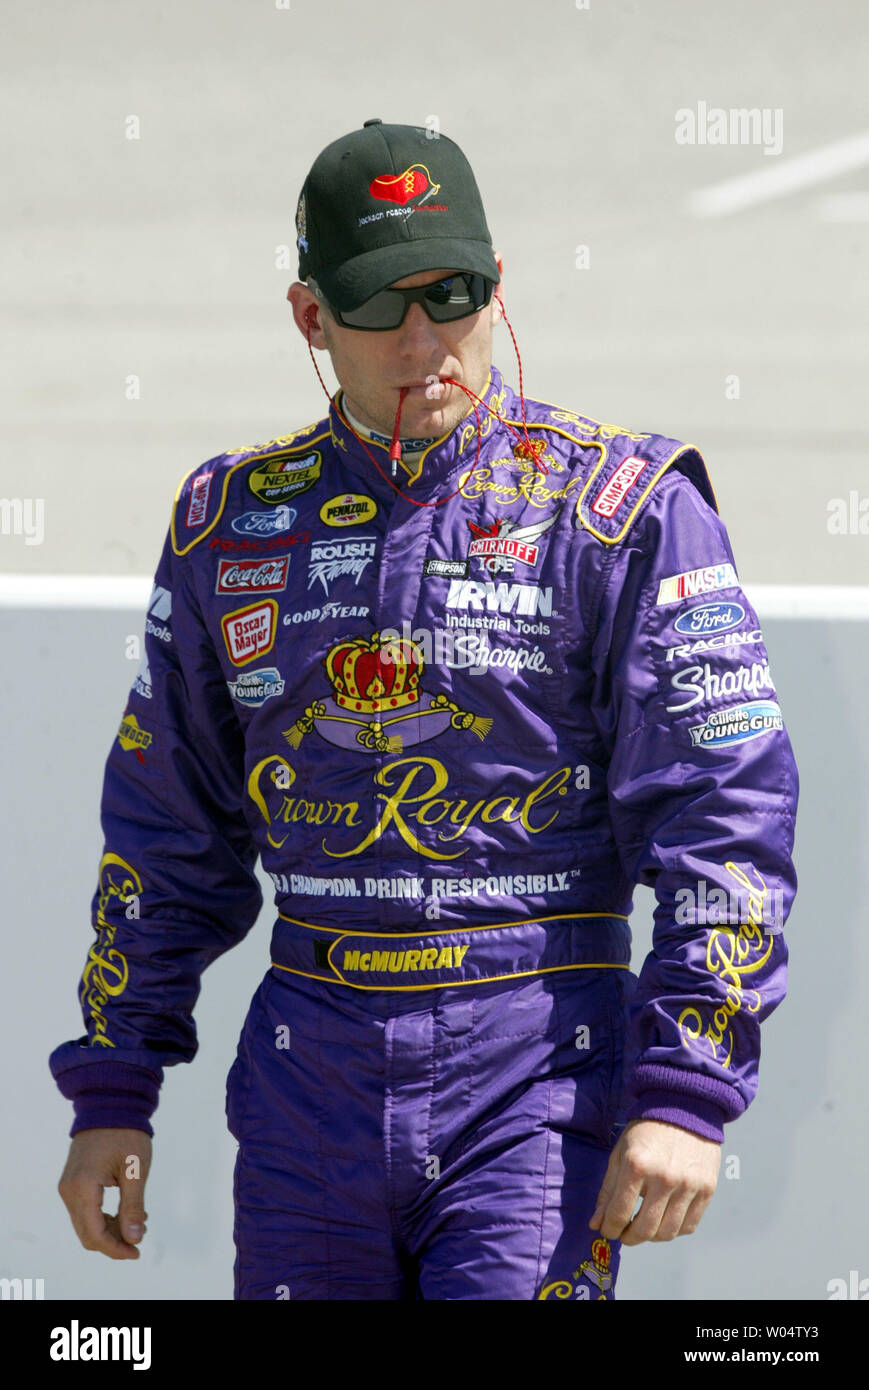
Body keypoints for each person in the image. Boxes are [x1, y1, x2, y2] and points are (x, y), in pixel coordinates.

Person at [51, 119, 799, 1301]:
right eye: (379, 306)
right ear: (309, 319)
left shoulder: (619, 509)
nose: (421, 340)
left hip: (539, 1066)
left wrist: (688, 1084)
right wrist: (113, 1086)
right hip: (309, 1077)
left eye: (450, 295)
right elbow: (166, 831)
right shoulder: (227, 520)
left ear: (497, 292)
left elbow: (726, 807)